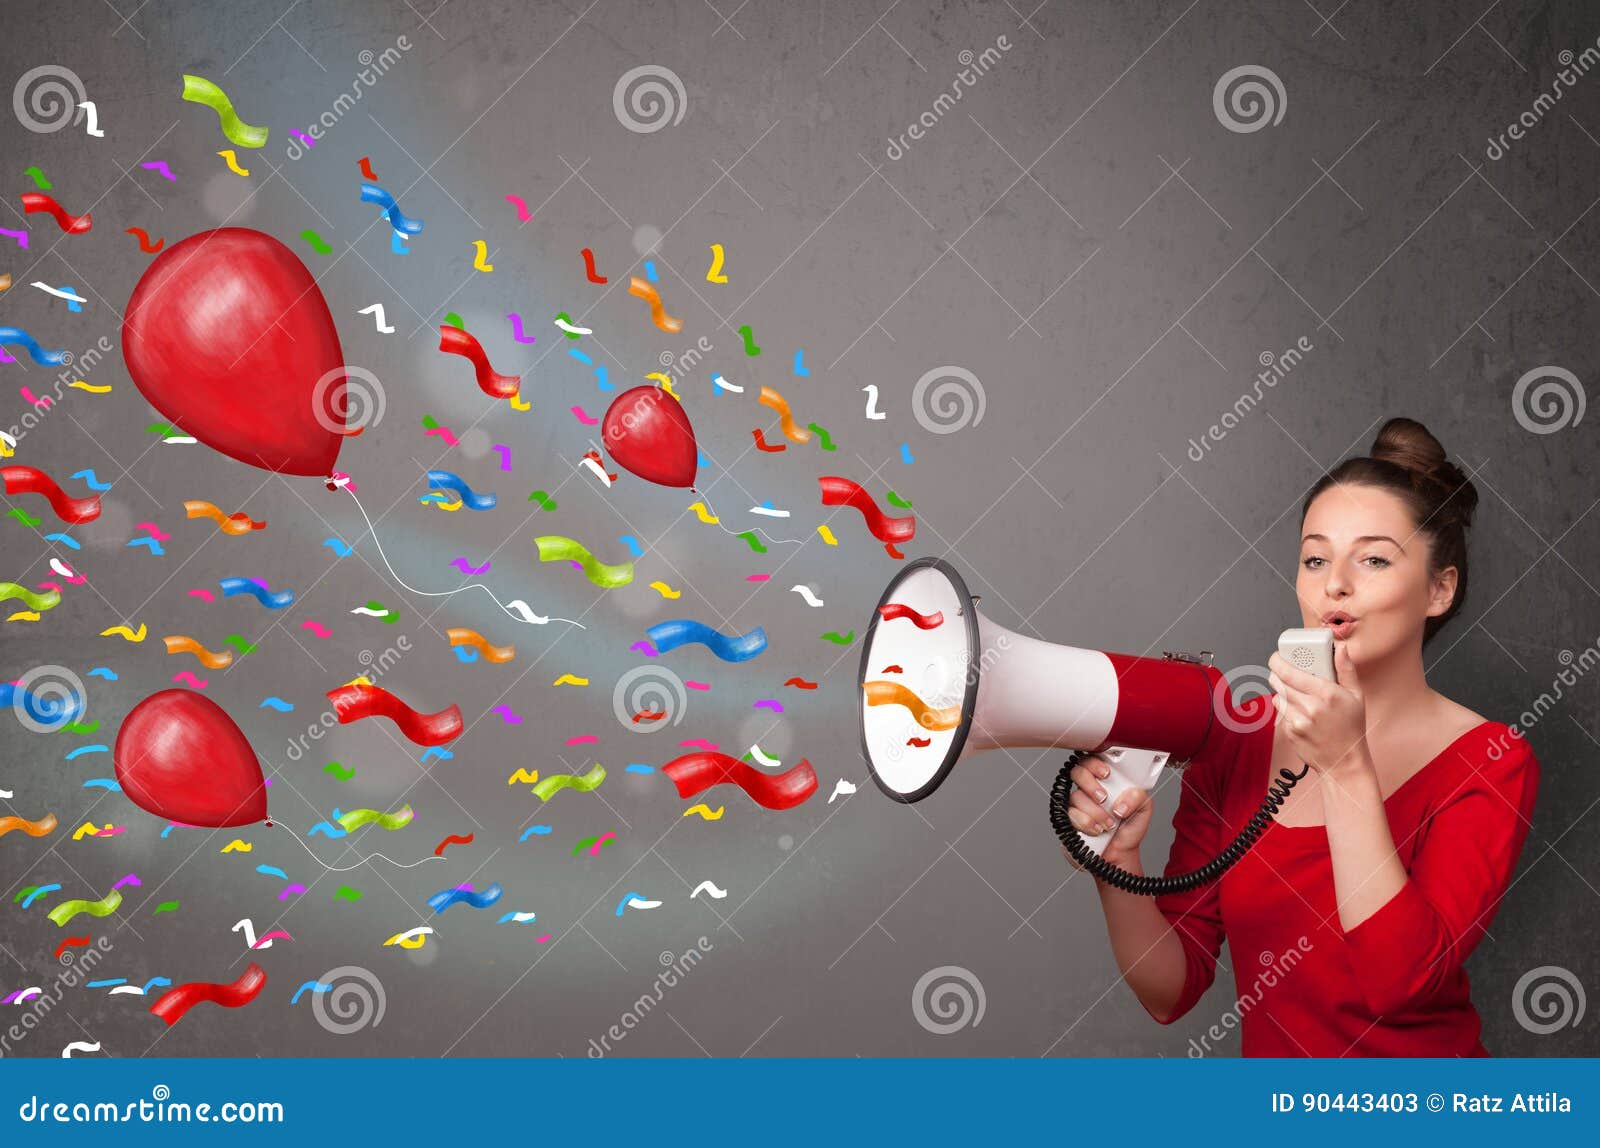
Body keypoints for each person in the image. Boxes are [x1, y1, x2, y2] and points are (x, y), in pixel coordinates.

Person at [1063, 417, 1540, 1056]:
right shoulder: (1236, 740)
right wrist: (1117, 866)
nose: (1333, 583)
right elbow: (1169, 992)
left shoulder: (1491, 761)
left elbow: (1400, 983)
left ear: (1438, 589)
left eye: (1373, 558)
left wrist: (1345, 766)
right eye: (1315, 558)